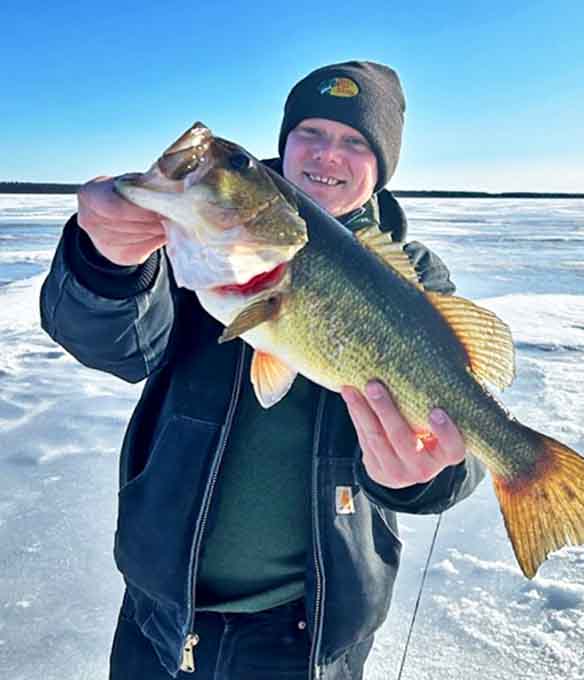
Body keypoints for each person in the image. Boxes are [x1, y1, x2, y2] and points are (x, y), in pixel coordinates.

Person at [40, 61, 485, 679]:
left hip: (310, 630)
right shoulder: (200, 239)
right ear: (285, 141)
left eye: (355, 142)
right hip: (160, 611)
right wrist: (106, 263)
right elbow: (122, 348)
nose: (328, 154)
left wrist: (423, 475)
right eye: (311, 132)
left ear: (381, 165)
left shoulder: (416, 281)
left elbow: (461, 444)